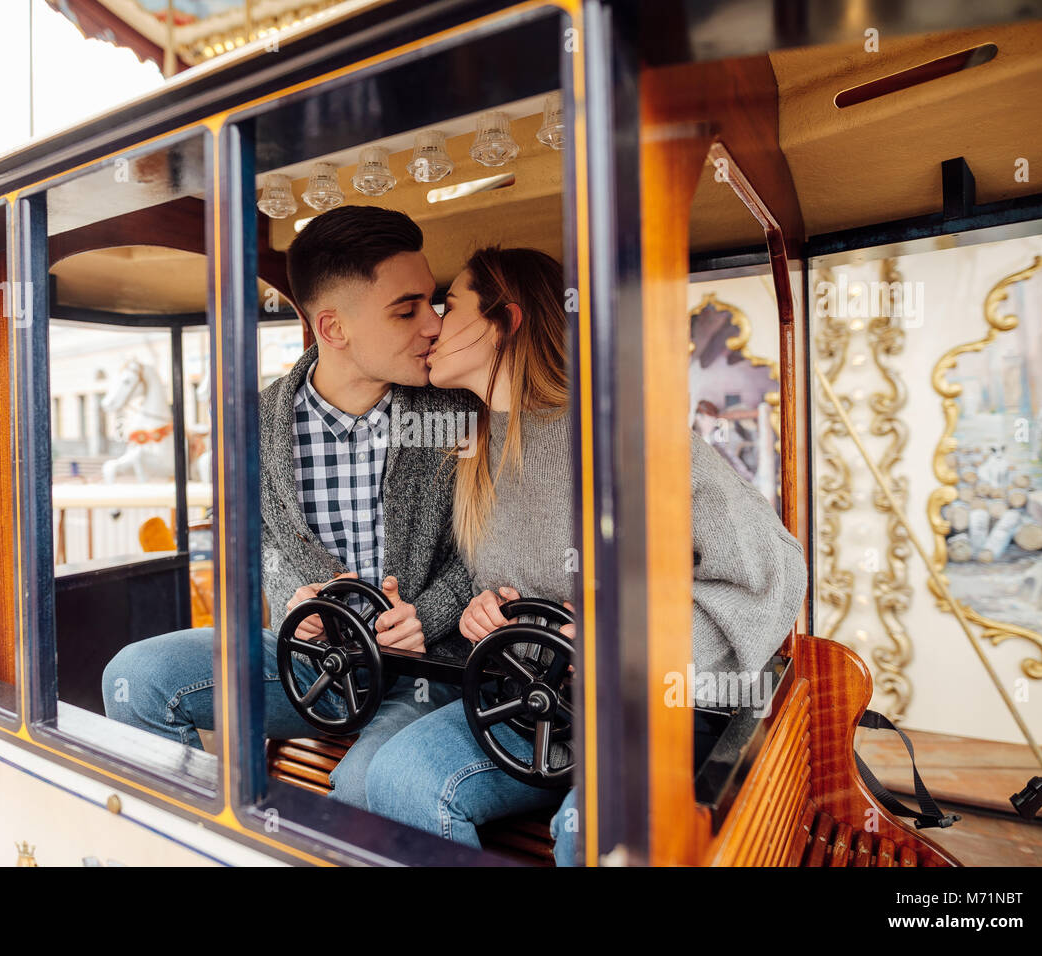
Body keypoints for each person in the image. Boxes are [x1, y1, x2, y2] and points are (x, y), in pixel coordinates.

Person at [361, 246, 808, 864]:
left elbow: (773, 574)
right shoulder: (471, 451)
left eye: (450, 304)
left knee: (597, 829)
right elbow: (499, 585)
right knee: (398, 780)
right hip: (532, 710)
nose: (432, 324)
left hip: (656, 709)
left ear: (506, 321)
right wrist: (482, 613)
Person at [102, 206, 476, 809]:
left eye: (432, 303)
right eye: (407, 310)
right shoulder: (253, 421)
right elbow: (256, 544)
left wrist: (425, 617)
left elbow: (487, 548)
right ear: (333, 328)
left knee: (366, 793)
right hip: (310, 665)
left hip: (428, 675)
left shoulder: (456, 408)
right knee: (135, 679)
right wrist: (290, 601)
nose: (433, 325)